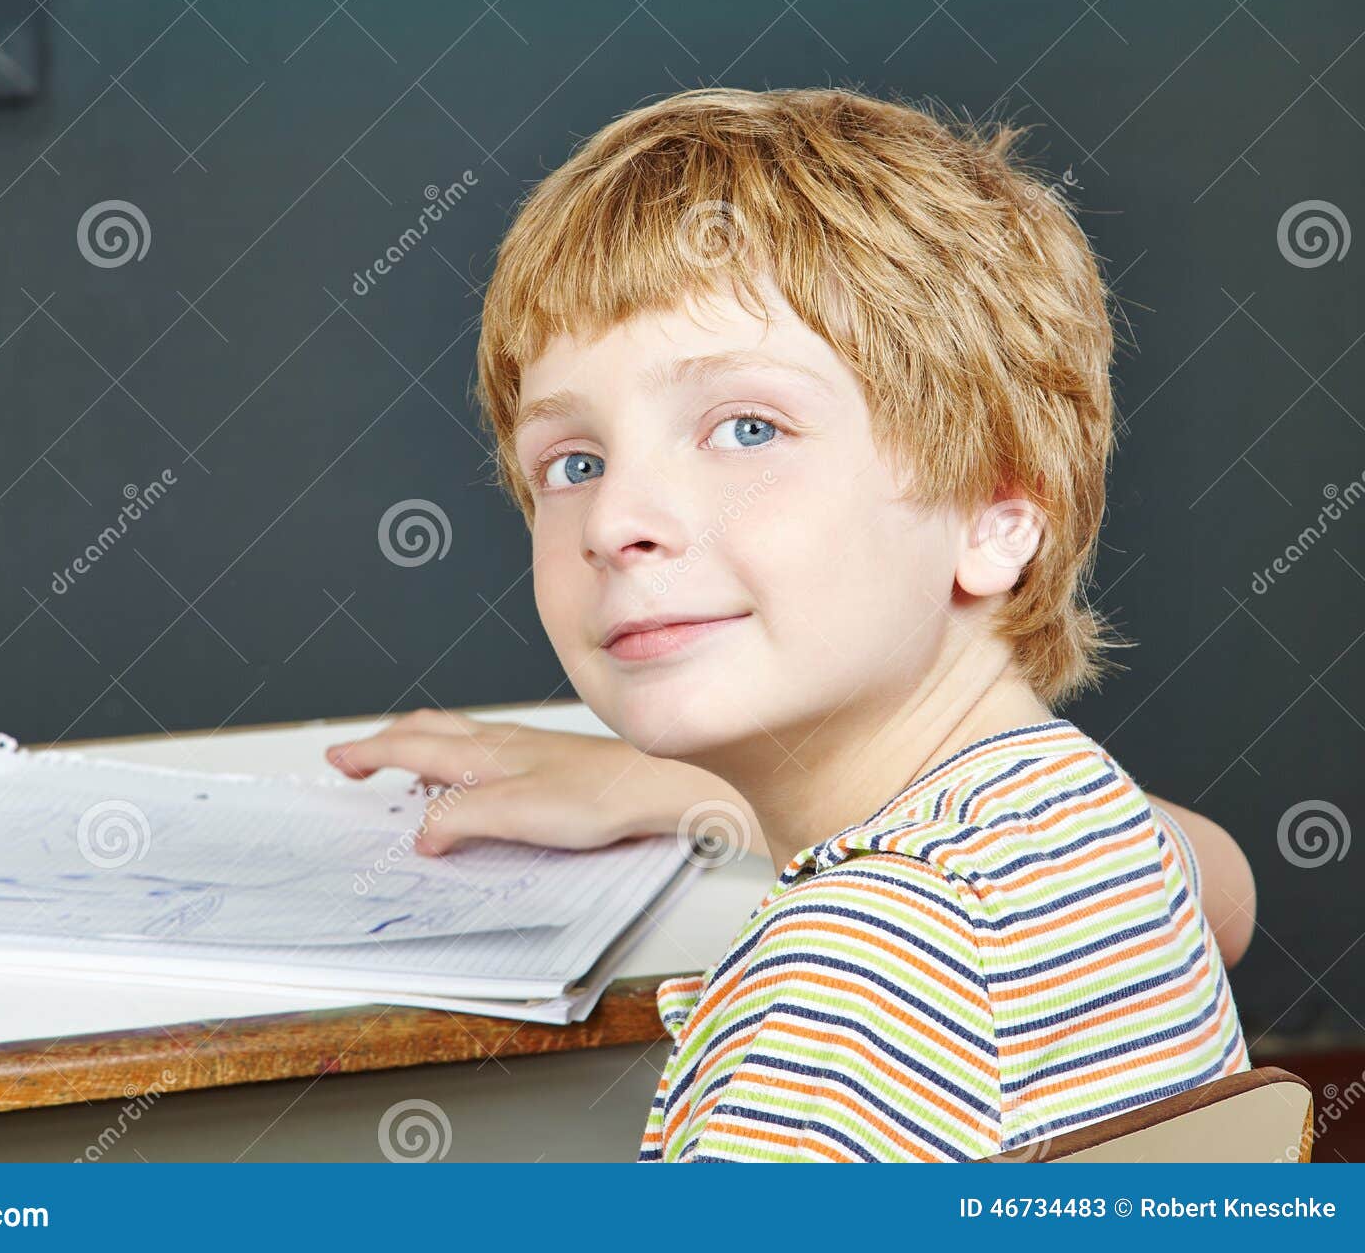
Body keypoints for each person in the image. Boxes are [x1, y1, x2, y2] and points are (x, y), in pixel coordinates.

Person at [327, 86, 1257, 1161]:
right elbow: (1224, 886)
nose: (614, 522)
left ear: (995, 517)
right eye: (573, 464)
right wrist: (659, 791)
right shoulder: (1085, 818)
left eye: (747, 429)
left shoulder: (853, 991)